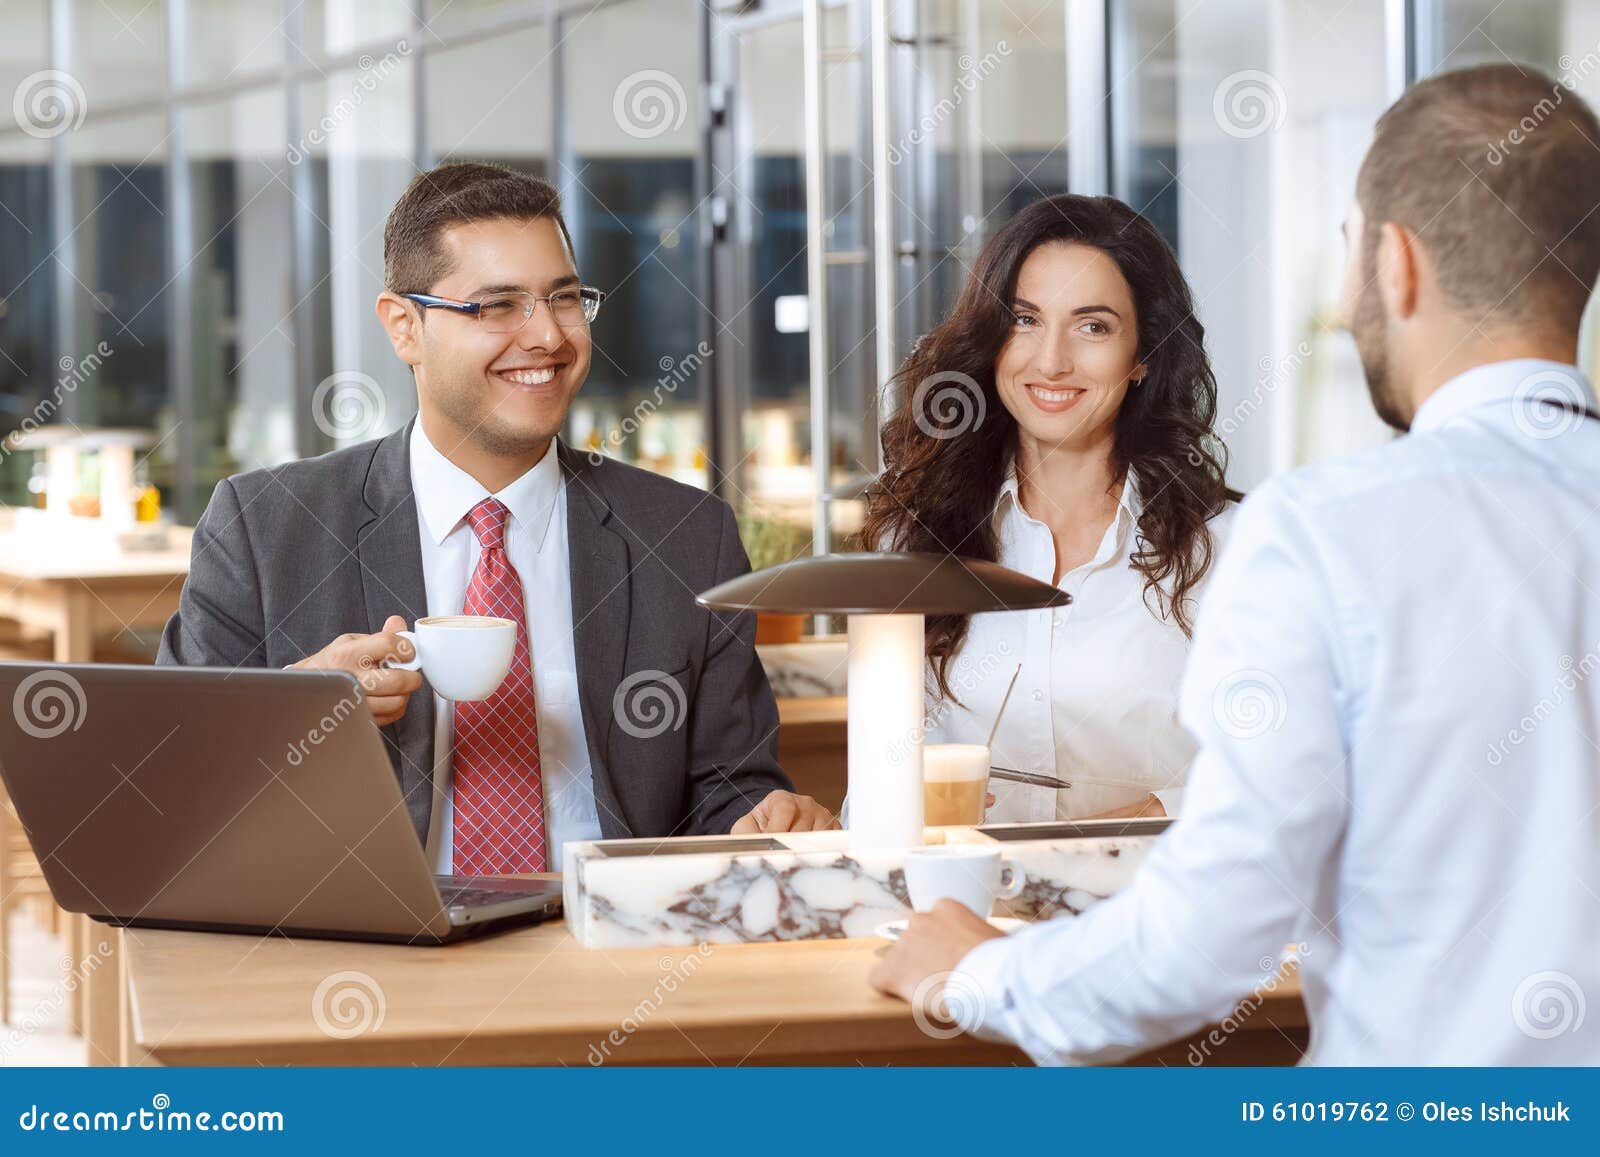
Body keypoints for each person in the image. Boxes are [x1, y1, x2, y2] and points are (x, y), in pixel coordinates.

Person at [870, 63, 1600, 1064]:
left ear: (1394, 264)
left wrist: (979, 972)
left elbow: (1208, 933)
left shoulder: (1320, 534)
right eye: (1028, 320)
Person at [159, 162, 834, 875]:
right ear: (405, 327)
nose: (547, 336)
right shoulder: (264, 529)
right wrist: (291, 716)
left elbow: (729, 787)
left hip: (606, 933)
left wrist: (764, 817)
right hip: (368, 935)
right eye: (499, 305)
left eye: (563, 298)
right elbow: (169, 789)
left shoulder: (687, 535)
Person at [863, 195, 1236, 821]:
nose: (1052, 361)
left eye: (1093, 327)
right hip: (968, 884)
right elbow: (879, 788)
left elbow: (1281, 773)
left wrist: (1138, 822)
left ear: (1143, 355)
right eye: (1025, 320)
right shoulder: (914, 541)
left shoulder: (1227, 550)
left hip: (1149, 884)